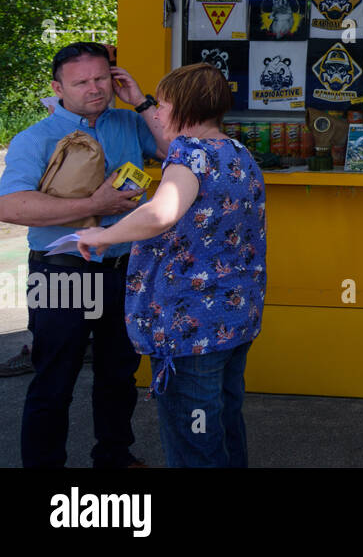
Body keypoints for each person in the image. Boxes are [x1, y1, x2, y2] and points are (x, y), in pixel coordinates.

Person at [76, 63, 267, 468]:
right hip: (233, 317)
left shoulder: (189, 157)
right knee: (222, 419)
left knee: (194, 435)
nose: (156, 114)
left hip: (190, 325)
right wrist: (142, 100)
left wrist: (101, 235)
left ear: (186, 108)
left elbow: (161, 214)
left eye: (162, 105)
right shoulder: (237, 153)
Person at [0, 41, 168, 468]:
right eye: (81, 82)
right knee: (54, 380)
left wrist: (144, 101)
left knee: (118, 375)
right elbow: (12, 206)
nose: (94, 88)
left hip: (124, 268)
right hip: (62, 272)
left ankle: (113, 456)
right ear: (57, 87)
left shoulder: (129, 123)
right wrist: (97, 205)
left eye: (101, 78)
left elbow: (174, 151)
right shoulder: (35, 138)